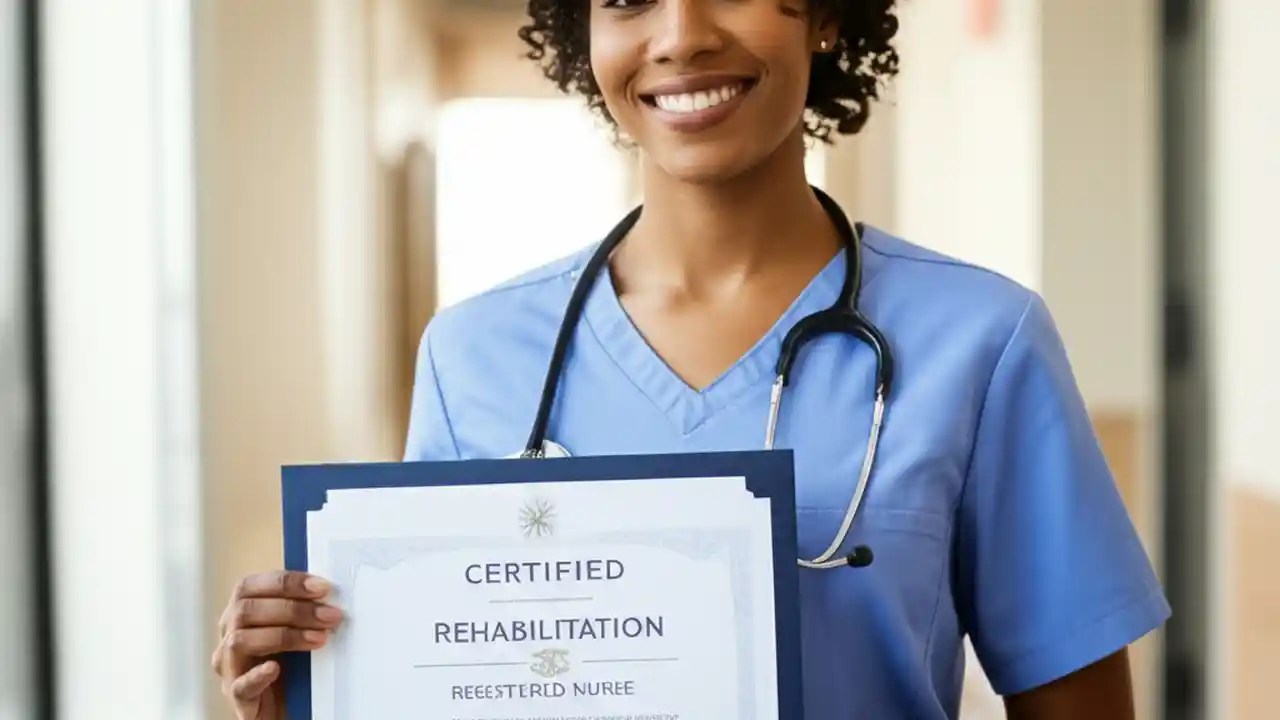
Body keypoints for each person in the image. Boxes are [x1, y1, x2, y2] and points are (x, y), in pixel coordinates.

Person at [212, 1, 1171, 718]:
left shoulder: (981, 341)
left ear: (825, 16)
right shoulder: (472, 358)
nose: (681, 35)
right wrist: (312, 693)